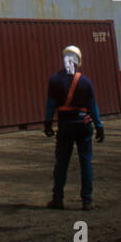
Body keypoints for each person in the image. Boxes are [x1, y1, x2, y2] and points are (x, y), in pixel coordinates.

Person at [44, 43, 105, 210]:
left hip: (65, 126)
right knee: (85, 162)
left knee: (61, 163)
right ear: (78, 61)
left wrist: (47, 123)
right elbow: (93, 106)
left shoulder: (54, 80)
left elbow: (50, 104)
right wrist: (99, 126)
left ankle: (57, 199)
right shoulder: (85, 82)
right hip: (84, 126)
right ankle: (87, 200)